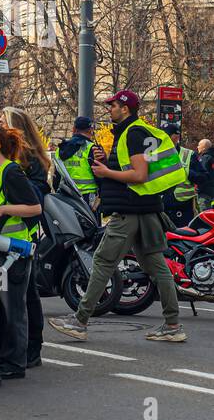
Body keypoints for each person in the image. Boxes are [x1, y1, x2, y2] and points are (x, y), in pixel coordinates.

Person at [49, 90, 186, 343]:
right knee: (156, 266)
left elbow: (139, 175)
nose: (109, 108)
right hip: (145, 210)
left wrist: (105, 173)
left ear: (125, 108)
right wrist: (108, 165)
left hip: (129, 212)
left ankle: (79, 321)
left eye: (112, 105)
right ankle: (172, 325)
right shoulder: (134, 132)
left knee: (102, 261)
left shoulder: (133, 133)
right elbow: (133, 172)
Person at [0, 123, 43, 379]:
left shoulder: (11, 172)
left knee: (13, 308)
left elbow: (35, 208)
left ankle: (14, 362)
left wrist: (4, 210)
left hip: (13, 251)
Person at [0, 104, 51, 366]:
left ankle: (32, 347)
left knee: (26, 293)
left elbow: (38, 195)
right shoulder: (18, 156)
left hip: (24, 232)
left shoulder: (26, 158)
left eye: (2, 120)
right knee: (14, 292)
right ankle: (17, 348)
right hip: (11, 231)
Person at [161, 123, 196, 230]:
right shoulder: (155, 154)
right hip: (162, 205)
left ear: (176, 137)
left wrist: (185, 171)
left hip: (183, 206)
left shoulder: (188, 154)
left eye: (166, 135)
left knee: (183, 240)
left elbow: (203, 177)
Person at [57, 115, 99, 200]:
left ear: (74, 129)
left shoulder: (61, 148)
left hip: (65, 194)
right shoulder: (92, 148)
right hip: (88, 196)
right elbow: (99, 175)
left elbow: (56, 175)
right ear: (91, 130)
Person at [191, 138, 214, 209]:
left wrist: (197, 188)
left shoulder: (204, 158)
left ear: (204, 148)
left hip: (204, 193)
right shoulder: (213, 158)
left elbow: (201, 175)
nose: (197, 147)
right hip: (213, 192)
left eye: (199, 145)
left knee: (205, 217)